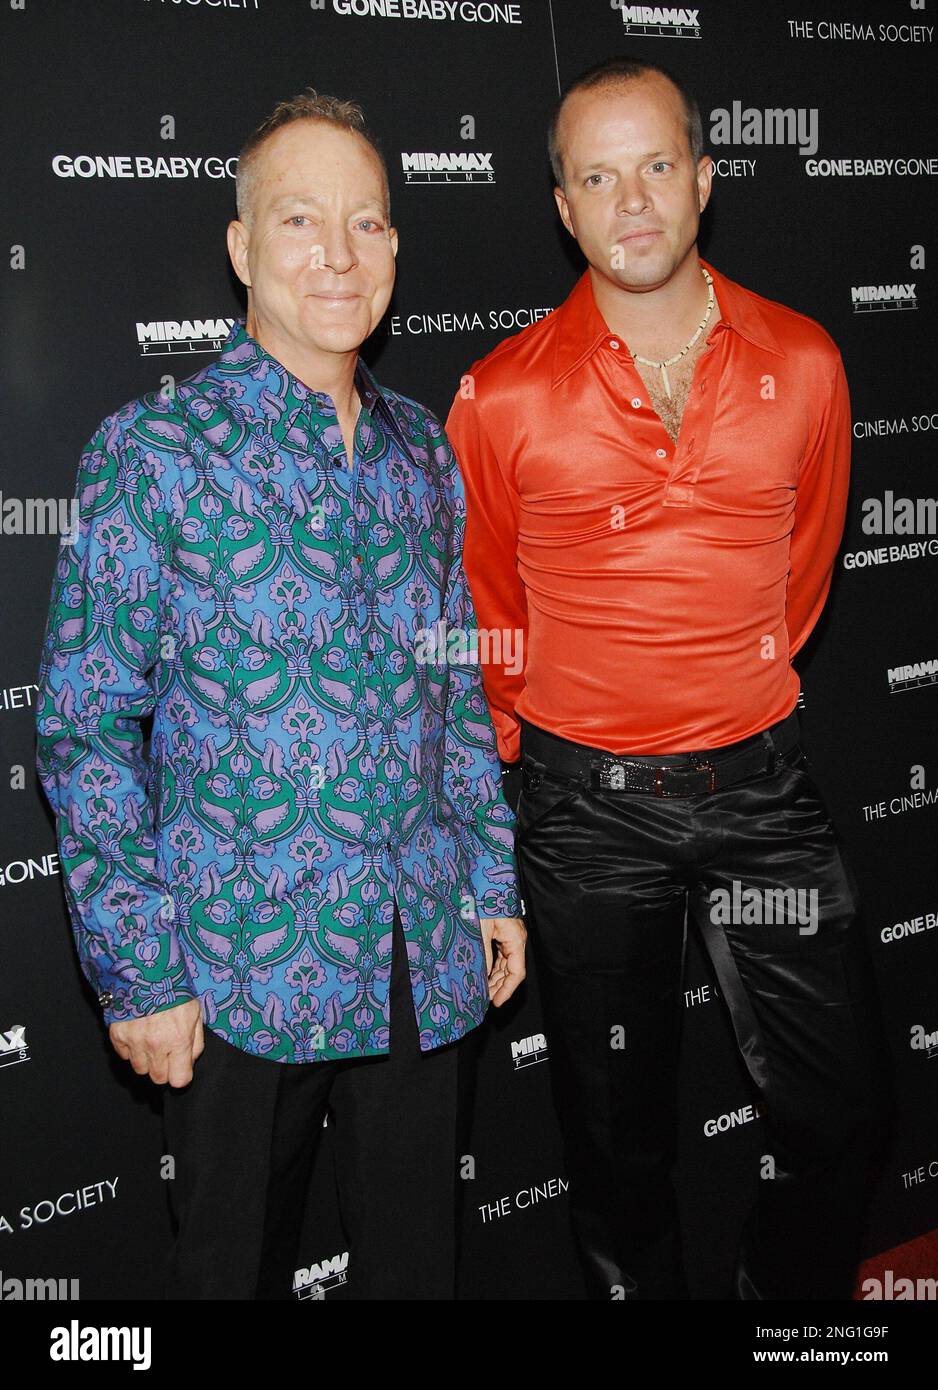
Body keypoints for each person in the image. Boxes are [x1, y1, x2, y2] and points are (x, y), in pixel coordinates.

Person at [35, 89, 526, 1301]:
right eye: (300, 220)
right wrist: (140, 971)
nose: (337, 255)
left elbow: (453, 688)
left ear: (396, 251)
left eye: (366, 223)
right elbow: (85, 722)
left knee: (418, 1268)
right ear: (243, 248)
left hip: (417, 950)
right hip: (233, 968)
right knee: (226, 1273)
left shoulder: (423, 450)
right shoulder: (153, 453)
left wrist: (489, 881)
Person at [445, 56, 894, 1301]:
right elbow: (489, 610)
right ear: (563, 209)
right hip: (585, 822)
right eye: (597, 175)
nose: (630, 199)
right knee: (615, 1143)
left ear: (701, 180)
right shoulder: (501, 394)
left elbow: (798, 582)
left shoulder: (802, 361)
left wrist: (719, 683)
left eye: (654, 166)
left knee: (846, 1106)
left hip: (757, 801)